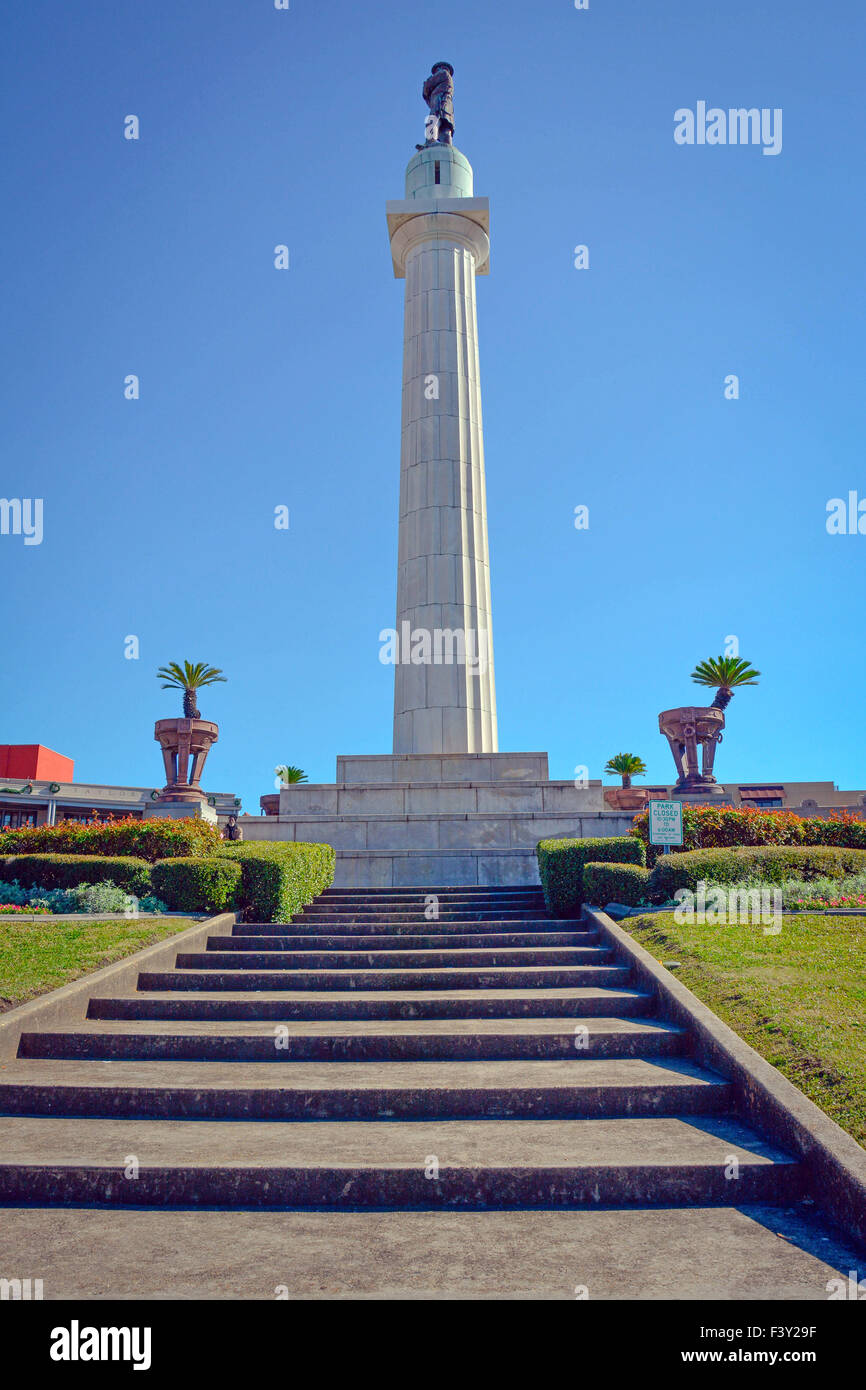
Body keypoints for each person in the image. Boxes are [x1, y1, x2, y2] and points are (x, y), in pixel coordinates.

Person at [421, 62, 454, 146]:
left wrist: (426, 85)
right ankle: (447, 145)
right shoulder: (447, 79)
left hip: (440, 104)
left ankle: (430, 142)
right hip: (447, 107)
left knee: (433, 120)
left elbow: (427, 86)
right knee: (445, 126)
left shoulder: (443, 73)